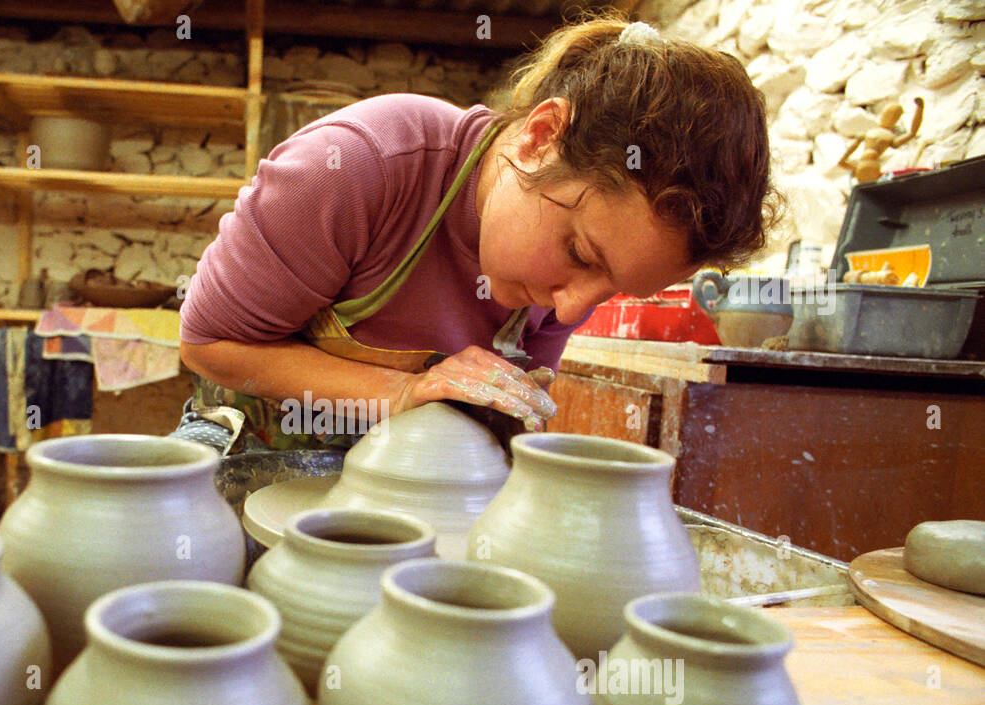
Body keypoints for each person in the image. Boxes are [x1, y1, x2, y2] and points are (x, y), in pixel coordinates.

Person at [174, 14, 778, 453]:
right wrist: (402, 393)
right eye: (579, 253)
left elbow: (508, 427)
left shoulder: (564, 285)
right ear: (541, 137)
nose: (572, 307)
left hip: (408, 474)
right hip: (249, 444)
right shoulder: (359, 167)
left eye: (614, 290)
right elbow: (207, 344)